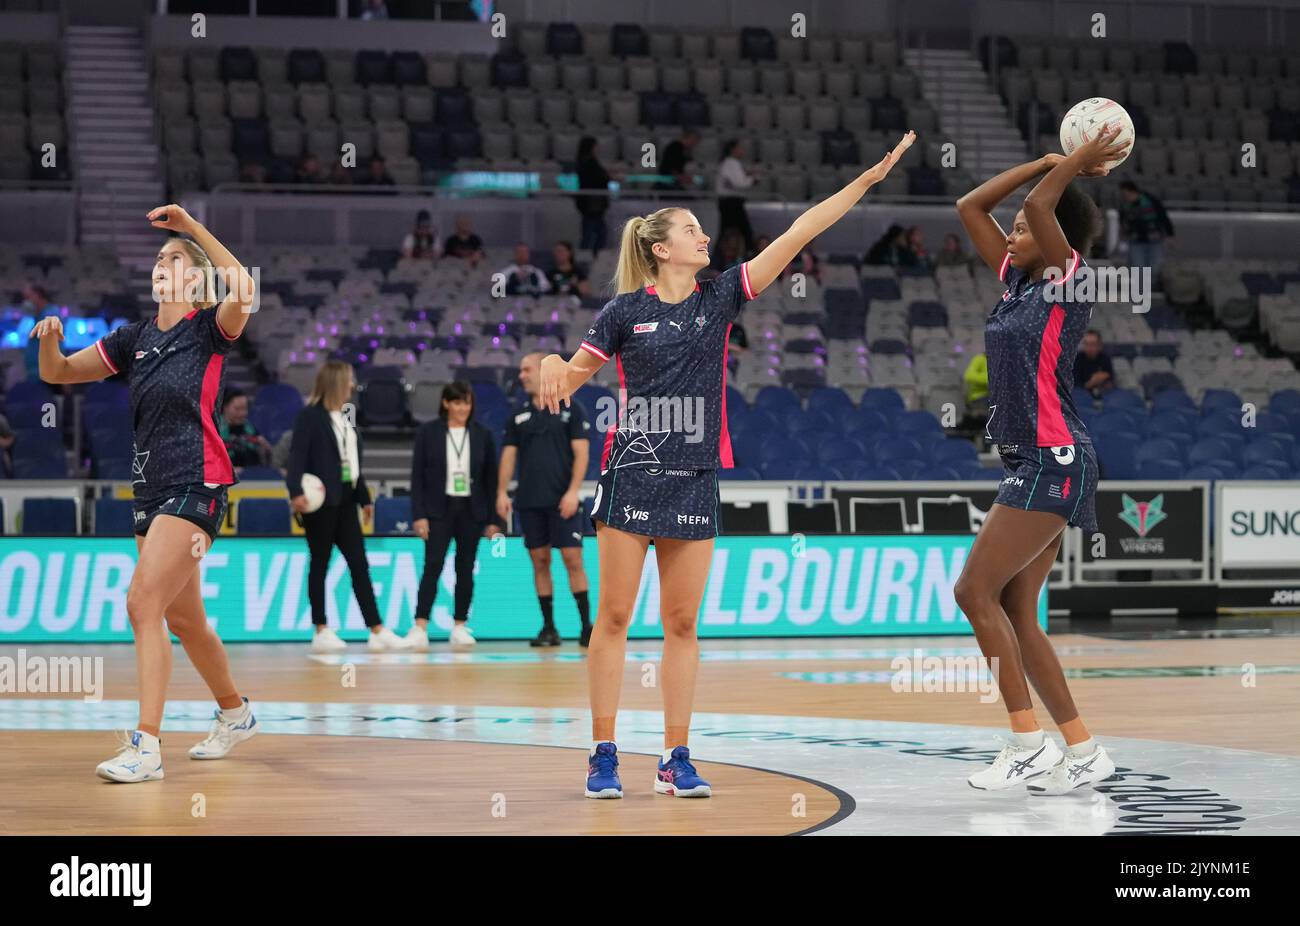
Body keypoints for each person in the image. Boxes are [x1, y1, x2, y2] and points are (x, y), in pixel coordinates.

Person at [539, 130, 916, 800]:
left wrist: (865, 183)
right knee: (615, 619)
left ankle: (675, 756)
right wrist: (547, 365)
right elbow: (568, 380)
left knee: (682, 625)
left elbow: (799, 231)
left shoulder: (721, 296)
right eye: (689, 230)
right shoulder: (625, 311)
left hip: (694, 476)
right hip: (631, 473)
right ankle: (603, 753)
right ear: (661, 249)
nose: (702, 235)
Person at [31, 203, 259, 783]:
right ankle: (235, 713)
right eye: (159, 258)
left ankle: (147, 746)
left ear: (195, 278)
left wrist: (193, 230)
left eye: (173, 259)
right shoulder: (133, 339)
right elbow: (57, 374)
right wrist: (48, 340)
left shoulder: (210, 328)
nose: (161, 264)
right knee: (184, 621)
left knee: (141, 604)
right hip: (150, 490)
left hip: (199, 484)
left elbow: (246, 287)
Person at [953, 127, 1128, 794]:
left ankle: (1028, 744)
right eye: (1018, 226)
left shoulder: (1066, 278)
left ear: (1057, 238)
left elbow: (1049, 211)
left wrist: (1078, 163)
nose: (1014, 232)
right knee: (1017, 614)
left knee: (973, 592)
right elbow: (969, 207)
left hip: (1054, 460)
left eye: (1025, 225)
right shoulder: (1019, 282)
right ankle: (1083, 752)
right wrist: (1044, 162)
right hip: (1038, 458)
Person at [287, 360, 406, 653]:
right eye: (349, 380)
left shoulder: (346, 417)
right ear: (336, 383)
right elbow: (297, 457)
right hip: (321, 503)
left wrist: (364, 498)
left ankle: (376, 629)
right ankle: (321, 628)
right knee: (320, 564)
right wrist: (294, 493)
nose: (353, 386)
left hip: (346, 501)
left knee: (359, 565)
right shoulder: (309, 417)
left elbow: (351, 464)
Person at [497, 353, 592, 647]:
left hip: (562, 499)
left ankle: (587, 627)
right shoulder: (518, 415)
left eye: (526, 369)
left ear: (542, 370)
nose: (522, 375)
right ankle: (548, 627)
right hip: (529, 501)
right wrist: (501, 491)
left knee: (572, 558)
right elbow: (509, 456)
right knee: (539, 561)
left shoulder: (571, 408)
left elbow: (582, 454)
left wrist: (573, 491)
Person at [408, 382, 498, 650]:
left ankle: (459, 624)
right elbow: (417, 477)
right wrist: (419, 515)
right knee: (433, 565)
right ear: (446, 403)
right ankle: (420, 625)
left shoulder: (483, 435)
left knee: (465, 568)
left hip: (472, 510)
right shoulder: (428, 433)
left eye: (467, 403)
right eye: (457, 403)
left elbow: (491, 480)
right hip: (438, 510)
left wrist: (493, 519)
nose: (463, 409)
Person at [1119, 180, 1173, 284]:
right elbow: (1122, 222)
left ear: (1132, 192)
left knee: (1154, 267)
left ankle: (1150, 290)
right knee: (1138, 267)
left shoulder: (1151, 200)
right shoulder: (1125, 206)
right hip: (1136, 241)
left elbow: (1163, 217)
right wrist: (1122, 235)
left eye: (1125, 194)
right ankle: (1140, 292)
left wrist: (1170, 235)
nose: (1124, 197)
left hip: (1154, 240)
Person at [716, 139, 757, 250]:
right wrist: (752, 179)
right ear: (733, 149)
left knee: (728, 231)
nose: (742, 150)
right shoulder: (731, 163)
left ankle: (719, 257)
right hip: (731, 202)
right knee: (743, 231)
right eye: (739, 148)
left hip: (730, 202)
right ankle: (751, 253)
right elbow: (738, 183)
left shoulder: (729, 163)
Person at [575, 136, 612, 258]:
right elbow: (597, 178)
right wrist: (609, 177)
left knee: (594, 233)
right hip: (592, 204)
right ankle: (588, 258)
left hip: (593, 205)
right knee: (593, 234)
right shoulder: (588, 162)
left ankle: (590, 257)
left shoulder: (586, 162)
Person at [218, 388, 272, 468]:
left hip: (250, 477)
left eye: (244, 409)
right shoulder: (215, 429)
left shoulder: (250, 428)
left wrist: (266, 449)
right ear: (225, 407)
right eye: (237, 409)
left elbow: (264, 459)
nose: (242, 413)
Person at [1074, 329, 1115, 397]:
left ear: (1099, 345)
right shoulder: (1076, 360)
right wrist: (1091, 382)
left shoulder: (1105, 359)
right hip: (1081, 398)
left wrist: (1104, 379)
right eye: (1086, 344)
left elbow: (1111, 378)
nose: (1089, 348)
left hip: (1104, 395)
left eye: (1093, 344)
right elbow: (1075, 386)